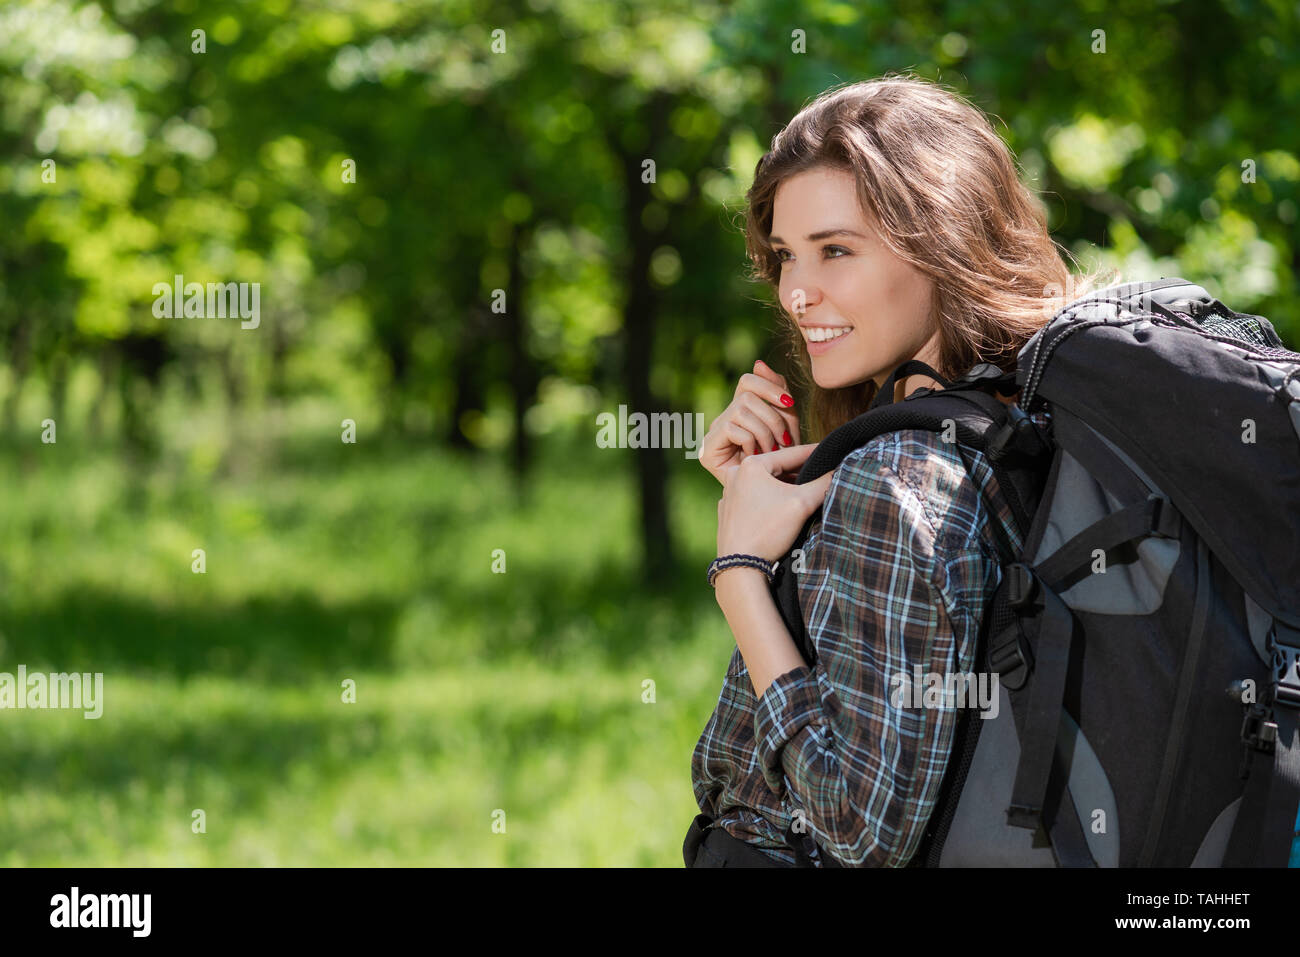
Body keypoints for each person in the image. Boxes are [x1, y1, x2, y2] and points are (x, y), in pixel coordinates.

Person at [685, 73, 1112, 867]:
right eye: (784, 255)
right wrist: (793, 546)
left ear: (941, 243)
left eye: (836, 250)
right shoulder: (1021, 419)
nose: (797, 292)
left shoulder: (898, 477)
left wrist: (741, 573)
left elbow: (864, 827)